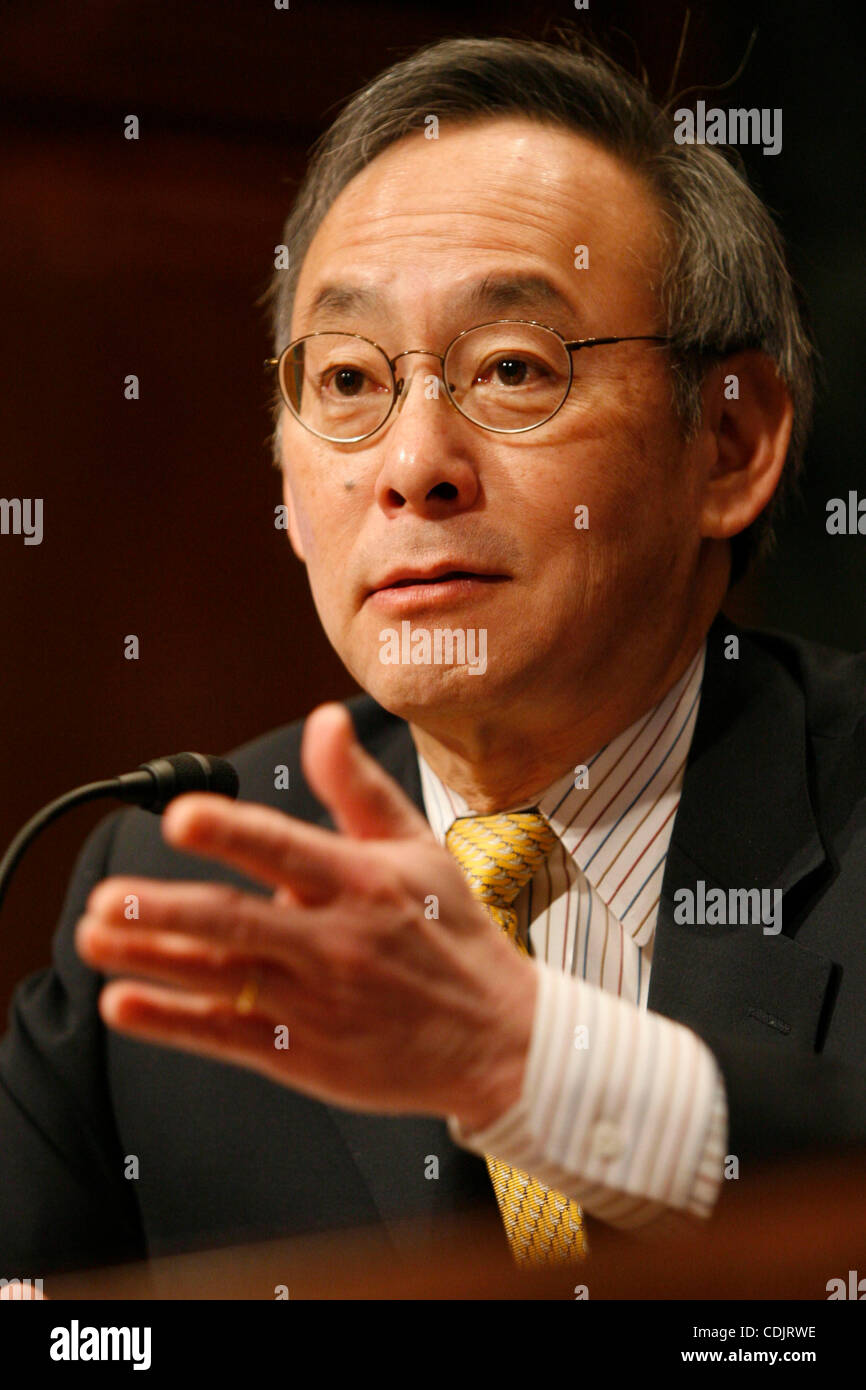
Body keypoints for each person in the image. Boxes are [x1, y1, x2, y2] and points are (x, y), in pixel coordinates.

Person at [2, 32, 865, 1285]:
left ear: (726, 444)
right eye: (346, 380)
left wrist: (540, 1070)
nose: (412, 463)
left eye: (512, 368)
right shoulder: (178, 885)